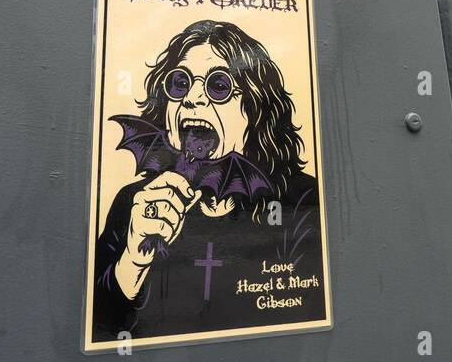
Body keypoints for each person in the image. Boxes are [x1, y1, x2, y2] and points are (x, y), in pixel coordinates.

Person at [91, 20, 325, 343]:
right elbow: (98, 328)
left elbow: (308, 325)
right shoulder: (135, 202)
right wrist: (133, 259)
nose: (192, 99)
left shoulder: (300, 200)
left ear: (254, 110)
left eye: (218, 86)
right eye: (180, 83)